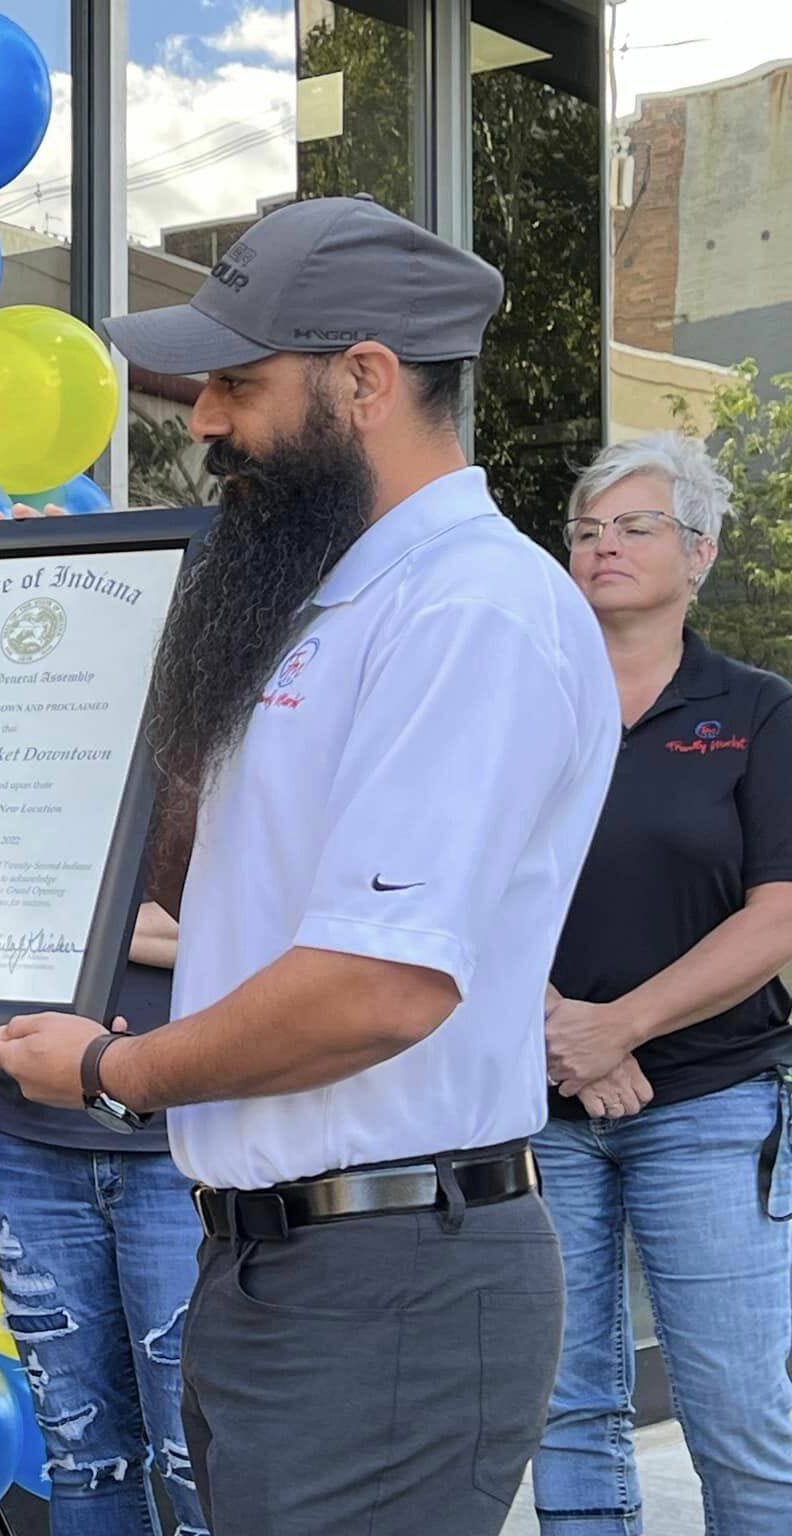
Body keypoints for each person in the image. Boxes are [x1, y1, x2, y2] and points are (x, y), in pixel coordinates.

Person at [0, 194, 620, 1535]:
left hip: (389, 1279)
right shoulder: (339, 601)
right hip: (281, 1262)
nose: (203, 420)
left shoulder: (470, 611)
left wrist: (112, 1074)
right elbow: (222, 894)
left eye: (237, 384)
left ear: (363, 380)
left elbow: (378, 988)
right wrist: (64, 633)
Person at [532, 433, 792, 1534]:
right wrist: (558, 1030)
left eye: (635, 527)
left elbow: (777, 916)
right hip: (537, 1109)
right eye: (586, 529)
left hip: (711, 1108)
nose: (603, 546)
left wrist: (618, 1028)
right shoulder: (521, 706)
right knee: (566, 1413)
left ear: (700, 553)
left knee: (739, 1419)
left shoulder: (758, 710)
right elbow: (457, 889)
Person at [0, 899, 207, 1536]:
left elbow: (269, 936)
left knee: (201, 1466)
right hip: (26, 1135)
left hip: (194, 1143)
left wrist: (43, 921)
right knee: (81, 1465)